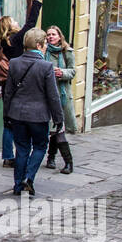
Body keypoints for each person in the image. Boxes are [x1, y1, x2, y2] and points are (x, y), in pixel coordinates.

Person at [4, 27, 63, 197]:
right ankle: (28, 178)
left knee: (21, 149)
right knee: (40, 146)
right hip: (38, 116)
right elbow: (53, 96)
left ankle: (17, 185)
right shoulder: (46, 66)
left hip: (17, 113)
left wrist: (6, 115)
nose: (46, 46)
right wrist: (58, 118)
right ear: (38, 45)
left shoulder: (14, 63)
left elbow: (8, 93)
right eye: (45, 44)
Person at [0, 0, 42, 168]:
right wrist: (36, 1)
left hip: (7, 85)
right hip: (20, 84)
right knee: (20, 121)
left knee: (8, 122)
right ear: (8, 25)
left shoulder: (2, 43)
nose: (16, 22)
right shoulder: (16, 39)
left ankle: (7, 155)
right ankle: (21, 152)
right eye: (13, 20)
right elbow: (30, 24)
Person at [43, 25, 76, 174]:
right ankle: (51, 158)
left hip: (61, 97)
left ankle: (68, 163)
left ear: (59, 36)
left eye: (53, 35)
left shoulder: (66, 52)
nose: (50, 37)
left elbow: (73, 70)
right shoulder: (44, 51)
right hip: (46, 97)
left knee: (59, 130)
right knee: (53, 130)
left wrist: (61, 72)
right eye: (48, 35)